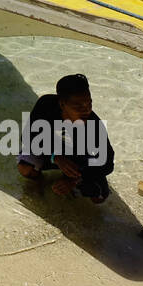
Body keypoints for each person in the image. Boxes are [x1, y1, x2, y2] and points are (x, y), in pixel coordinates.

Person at [17, 73, 113, 203]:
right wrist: (55, 157)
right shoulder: (45, 104)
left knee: (99, 196)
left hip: (78, 161)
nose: (86, 110)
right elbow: (28, 137)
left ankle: (70, 179)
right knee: (25, 168)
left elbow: (107, 163)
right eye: (78, 106)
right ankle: (43, 183)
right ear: (62, 104)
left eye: (89, 104)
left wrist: (73, 180)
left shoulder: (94, 125)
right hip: (51, 153)